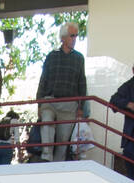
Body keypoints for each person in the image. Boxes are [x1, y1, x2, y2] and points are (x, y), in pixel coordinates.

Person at [35, 22, 87, 162]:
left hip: (69, 104)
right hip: (50, 101)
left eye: (76, 36)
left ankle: (57, 168)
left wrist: (81, 108)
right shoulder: (52, 56)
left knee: (63, 142)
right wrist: (39, 103)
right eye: (72, 36)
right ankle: (46, 158)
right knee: (47, 123)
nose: (75, 39)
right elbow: (43, 79)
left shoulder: (79, 58)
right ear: (63, 38)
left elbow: (82, 83)